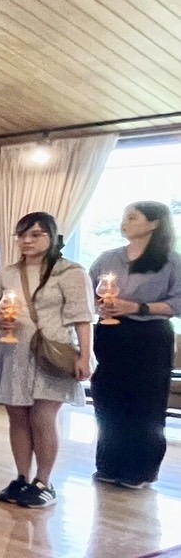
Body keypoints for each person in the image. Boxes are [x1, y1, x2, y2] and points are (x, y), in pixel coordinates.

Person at [0, 213, 93, 508]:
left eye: (36, 234)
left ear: (52, 237)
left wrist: (85, 356)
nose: (27, 241)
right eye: (22, 235)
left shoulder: (70, 272)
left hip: (52, 352)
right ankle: (22, 476)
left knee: (43, 417)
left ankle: (44, 481)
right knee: (17, 416)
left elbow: (83, 318)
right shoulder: (5, 274)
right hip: (13, 350)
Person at [88, 201, 181, 489]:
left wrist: (137, 307)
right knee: (107, 398)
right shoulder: (107, 257)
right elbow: (87, 293)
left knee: (145, 404)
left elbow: (177, 302)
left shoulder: (172, 261)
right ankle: (108, 463)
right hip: (109, 334)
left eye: (132, 217)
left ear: (153, 224)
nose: (124, 222)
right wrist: (99, 306)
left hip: (149, 336)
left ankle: (140, 469)